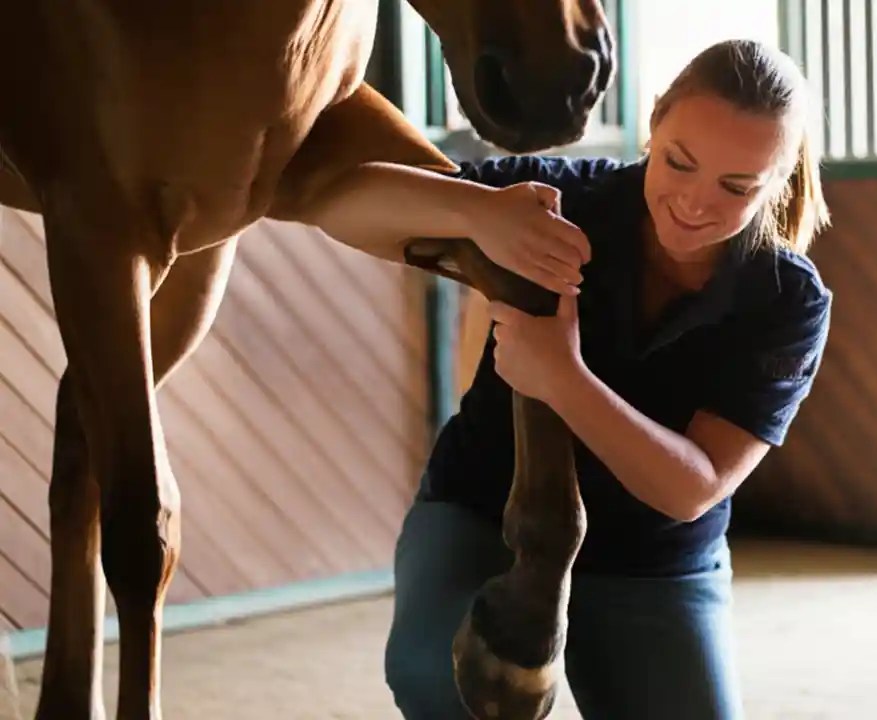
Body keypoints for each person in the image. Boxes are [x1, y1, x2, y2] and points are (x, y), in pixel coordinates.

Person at [313, 38, 832, 720]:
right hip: (483, 511)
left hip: (654, 557)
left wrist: (562, 376)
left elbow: (690, 488)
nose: (696, 203)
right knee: (437, 682)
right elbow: (337, 204)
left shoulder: (788, 300)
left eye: (738, 187)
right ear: (654, 124)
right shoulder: (563, 202)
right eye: (679, 162)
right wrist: (475, 213)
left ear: (780, 178)